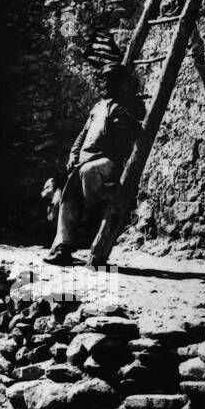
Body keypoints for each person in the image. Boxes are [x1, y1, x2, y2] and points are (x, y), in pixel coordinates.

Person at [44, 64, 144, 266]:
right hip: (84, 161)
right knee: (62, 190)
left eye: (111, 80)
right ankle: (63, 247)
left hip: (108, 161)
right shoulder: (98, 107)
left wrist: (123, 119)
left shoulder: (125, 107)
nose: (106, 84)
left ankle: (91, 214)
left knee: (87, 172)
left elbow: (127, 139)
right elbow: (83, 135)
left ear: (119, 83)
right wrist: (73, 155)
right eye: (105, 79)